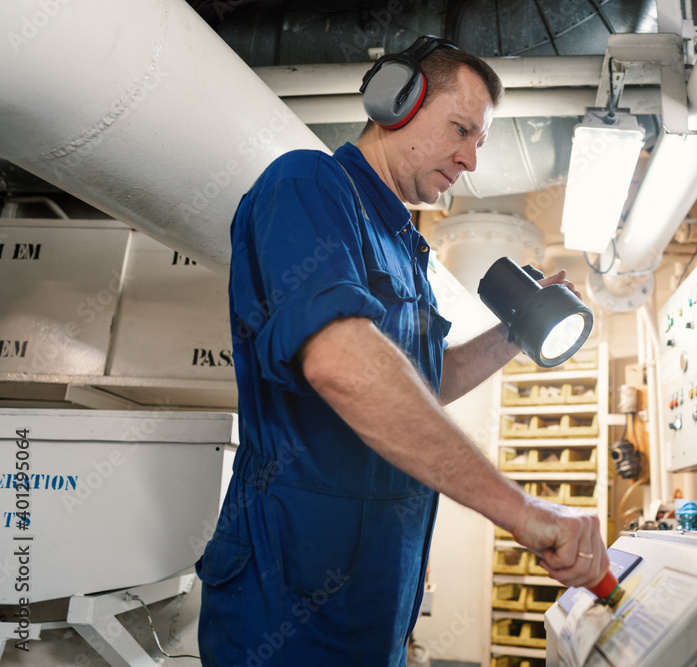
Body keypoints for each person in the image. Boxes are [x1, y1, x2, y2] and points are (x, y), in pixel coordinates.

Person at [196, 37, 609, 666]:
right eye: (461, 129)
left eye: (481, 141)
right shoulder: (310, 185)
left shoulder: (406, 246)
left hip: (377, 595)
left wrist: (515, 331)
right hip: (289, 592)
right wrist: (520, 511)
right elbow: (339, 361)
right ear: (398, 101)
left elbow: (423, 382)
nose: (471, 158)